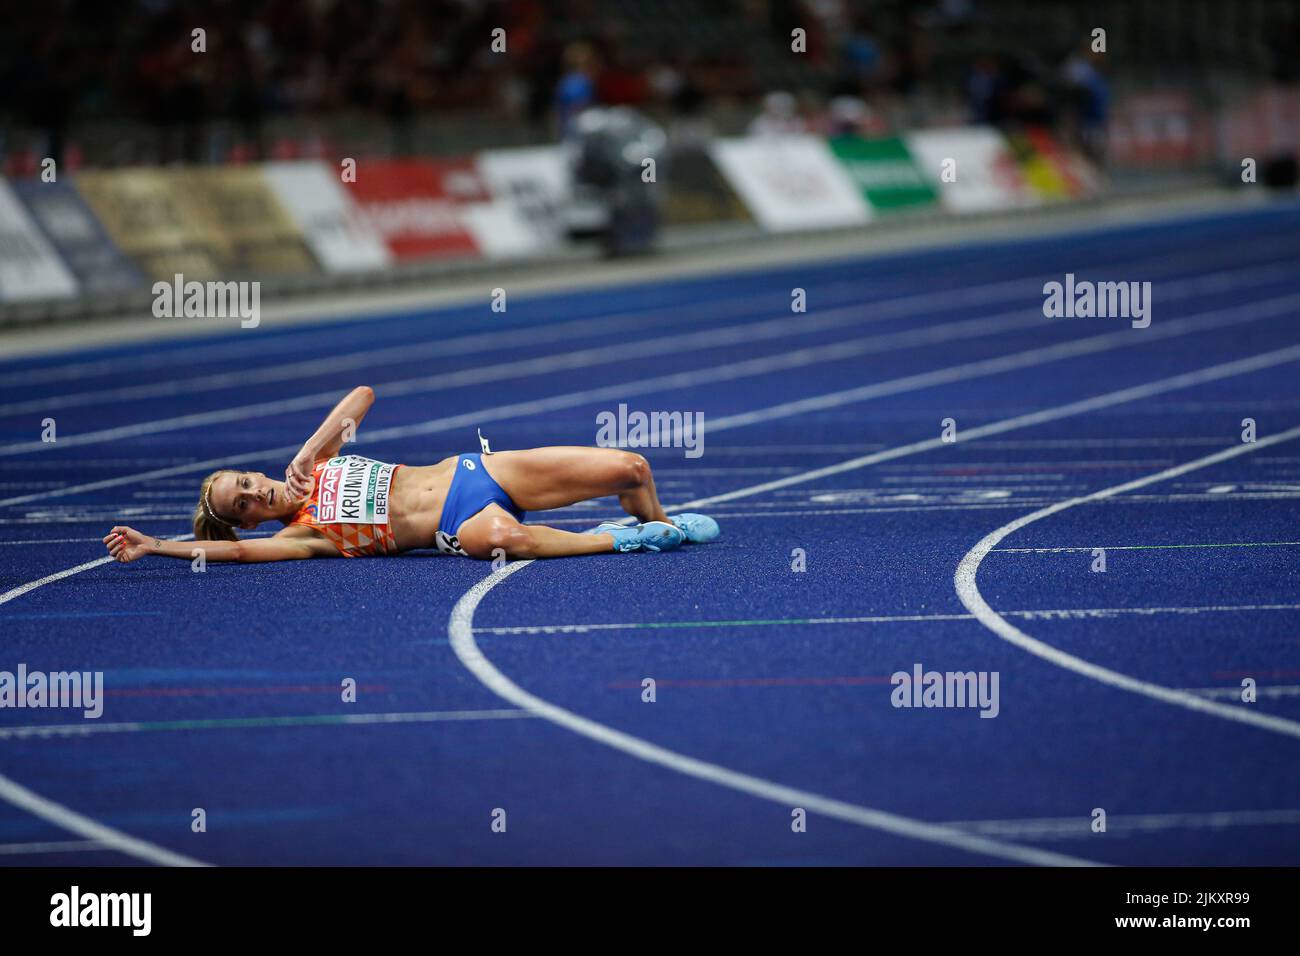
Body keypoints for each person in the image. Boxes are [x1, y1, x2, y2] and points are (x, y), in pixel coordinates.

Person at [103, 386, 719, 564]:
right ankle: (625, 538)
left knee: (631, 467)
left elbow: (364, 396)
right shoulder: (302, 535)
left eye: (246, 481)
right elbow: (232, 558)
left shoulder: (314, 464)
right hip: (461, 523)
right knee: (508, 541)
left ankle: (664, 522)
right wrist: (155, 544)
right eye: (244, 506)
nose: (255, 493)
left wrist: (312, 445)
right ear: (250, 521)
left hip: (477, 470)